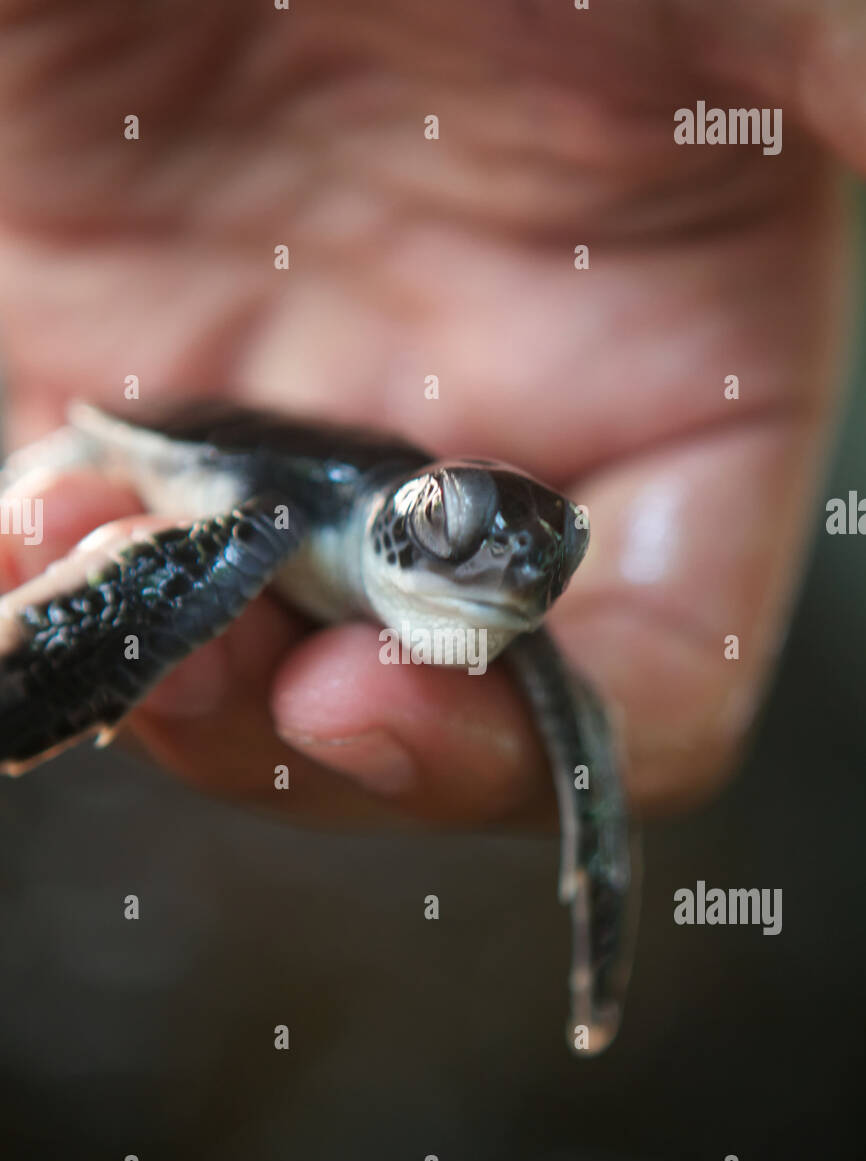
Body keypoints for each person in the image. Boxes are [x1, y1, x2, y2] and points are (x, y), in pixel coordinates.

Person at [0, 0, 861, 826]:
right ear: (397, 523)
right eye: (451, 522)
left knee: (548, 721)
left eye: (551, 563)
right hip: (152, 432)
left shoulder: (510, 620)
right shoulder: (273, 519)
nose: (504, 567)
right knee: (77, 545)